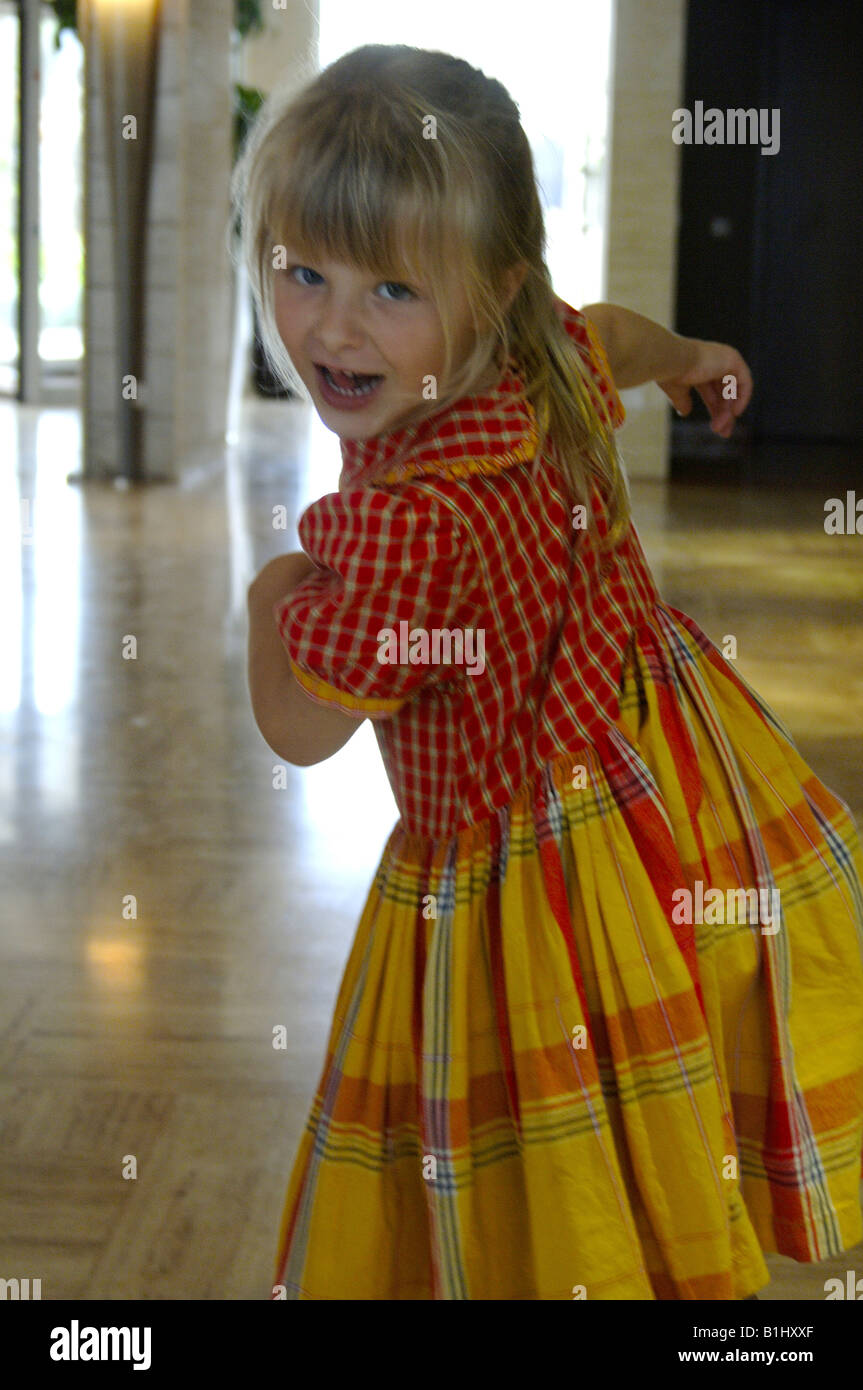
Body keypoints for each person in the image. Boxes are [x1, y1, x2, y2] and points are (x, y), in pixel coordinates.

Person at [233, 44, 863, 1300]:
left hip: (515, 871)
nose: (333, 327)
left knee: (539, 1126)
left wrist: (268, 601)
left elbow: (301, 729)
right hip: (659, 772)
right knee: (662, 1055)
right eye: (302, 272)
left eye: (392, 290)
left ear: (491, 287)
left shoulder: (407, 525)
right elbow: (618, 334)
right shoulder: (545, 354)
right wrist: (693, 355)